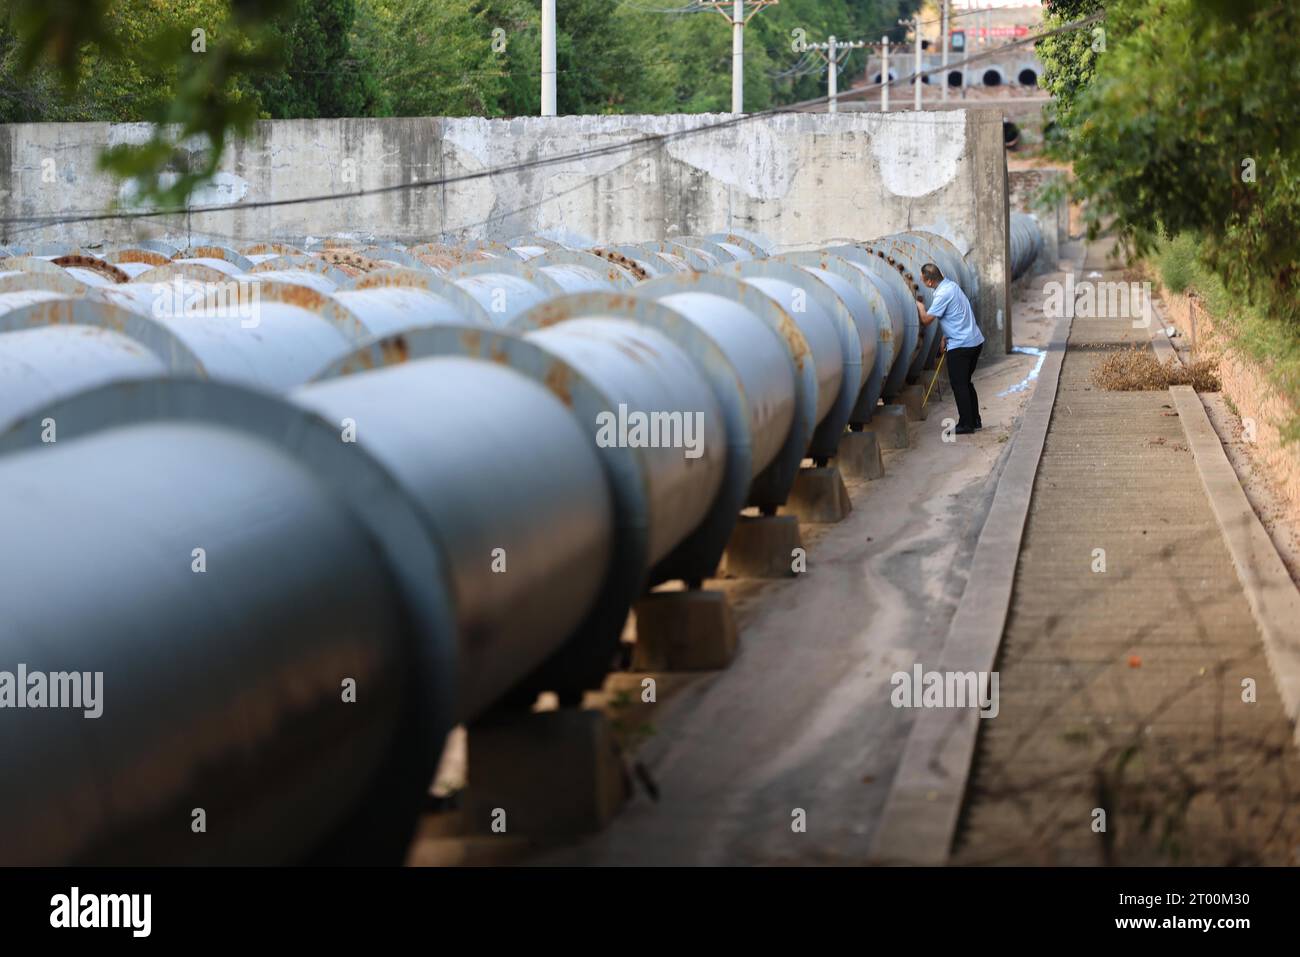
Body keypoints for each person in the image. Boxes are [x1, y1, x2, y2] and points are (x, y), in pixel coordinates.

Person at [915, 263, 984, 434]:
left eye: (923, 279)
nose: (922, 282)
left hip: (961, 346)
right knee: (966, 382)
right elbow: (958, 313)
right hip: (974, 341)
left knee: (959, 384)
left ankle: (966, 424)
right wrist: (945, 335)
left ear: (930, 281)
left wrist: (918, 305)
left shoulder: (942, 295)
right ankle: (975, 420)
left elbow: (926, 319)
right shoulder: (952, 286)